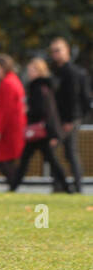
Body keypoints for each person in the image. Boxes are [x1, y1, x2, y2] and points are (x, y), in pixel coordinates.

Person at [16, 57, 65, 192]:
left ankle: (13, 186)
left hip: (41, 131)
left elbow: (42, 110)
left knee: (48, 161)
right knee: (48, 161)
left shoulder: (38, 87)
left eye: (32, 70)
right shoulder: (43, 86)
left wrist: (27, 112)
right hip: (43, 130)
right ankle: (67, 186)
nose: (30, 73)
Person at [47, 37, 88, 193]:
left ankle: (70, 185)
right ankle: (68, 185)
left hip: (68, 119)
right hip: (63, 119)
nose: (55, 54)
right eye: (53, 51)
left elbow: (75, 98)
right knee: (68, 152)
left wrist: (71, 119)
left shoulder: (71, 72)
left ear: (67, 51)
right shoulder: (58, 71)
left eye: (58, 50)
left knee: (61, 150)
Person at [0, 54, 26, 190]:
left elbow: (4, 110)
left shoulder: (7, 83)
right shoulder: (13, 81)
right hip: (13, 127)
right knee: (5, 157)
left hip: (9, 129)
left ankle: (14, 183)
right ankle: (14, 183)